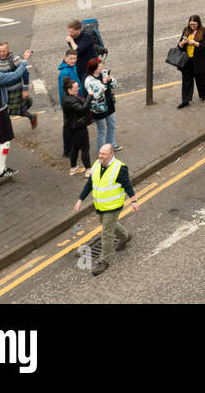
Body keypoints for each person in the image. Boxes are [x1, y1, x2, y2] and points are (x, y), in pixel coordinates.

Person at [73, 143, 137, 277]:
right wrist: (80, 199)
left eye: (103, 154)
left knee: (106, 233)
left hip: (113, 206)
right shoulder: (97, 164)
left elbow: (127, 185)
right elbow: (90, 184)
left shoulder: (120, 168)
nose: (100, 156)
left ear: (111, 154)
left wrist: (134, 201)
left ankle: (104, 261)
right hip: (101, 205)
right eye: (100, 153)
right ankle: (125, 236)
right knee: (107, 224)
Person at [175, 14, 205, 107]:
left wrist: (194, 43)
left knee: (201, 79)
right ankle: (185, 100)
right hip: (187, 60)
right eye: (190, 24)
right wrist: (183, 42)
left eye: (194, 24)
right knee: (186, 81)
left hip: (199, 60)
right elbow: (179, 46)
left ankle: (204, 95)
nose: (192, 26)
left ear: (198, 23)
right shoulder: (186, 30)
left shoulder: (204, 31)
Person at [62, 79, 93, 176]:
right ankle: (88, 170)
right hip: (78, 127)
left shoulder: (66, 98)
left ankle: (73, 168)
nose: (78, 89)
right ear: (69, 90)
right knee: (85, 148)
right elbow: (82, 108)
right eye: (76, 87)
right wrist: (90, 96)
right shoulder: (70, 100)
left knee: (75, 147)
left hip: (71, 127)